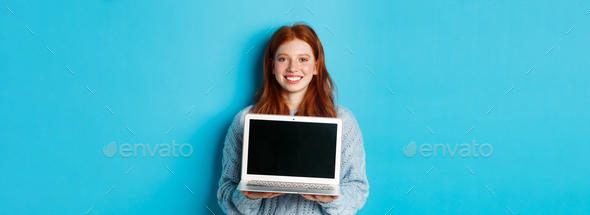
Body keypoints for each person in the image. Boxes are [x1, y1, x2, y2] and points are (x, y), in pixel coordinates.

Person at [217, 22, 369, 214]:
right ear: (272, 66)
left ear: (316, 66)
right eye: (283, 59)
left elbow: (358, 189)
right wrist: (247, 195)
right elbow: (225, 193)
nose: (293, 68)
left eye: (303, 59)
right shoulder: (245, 119)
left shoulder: (343, 120)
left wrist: (332, 199)